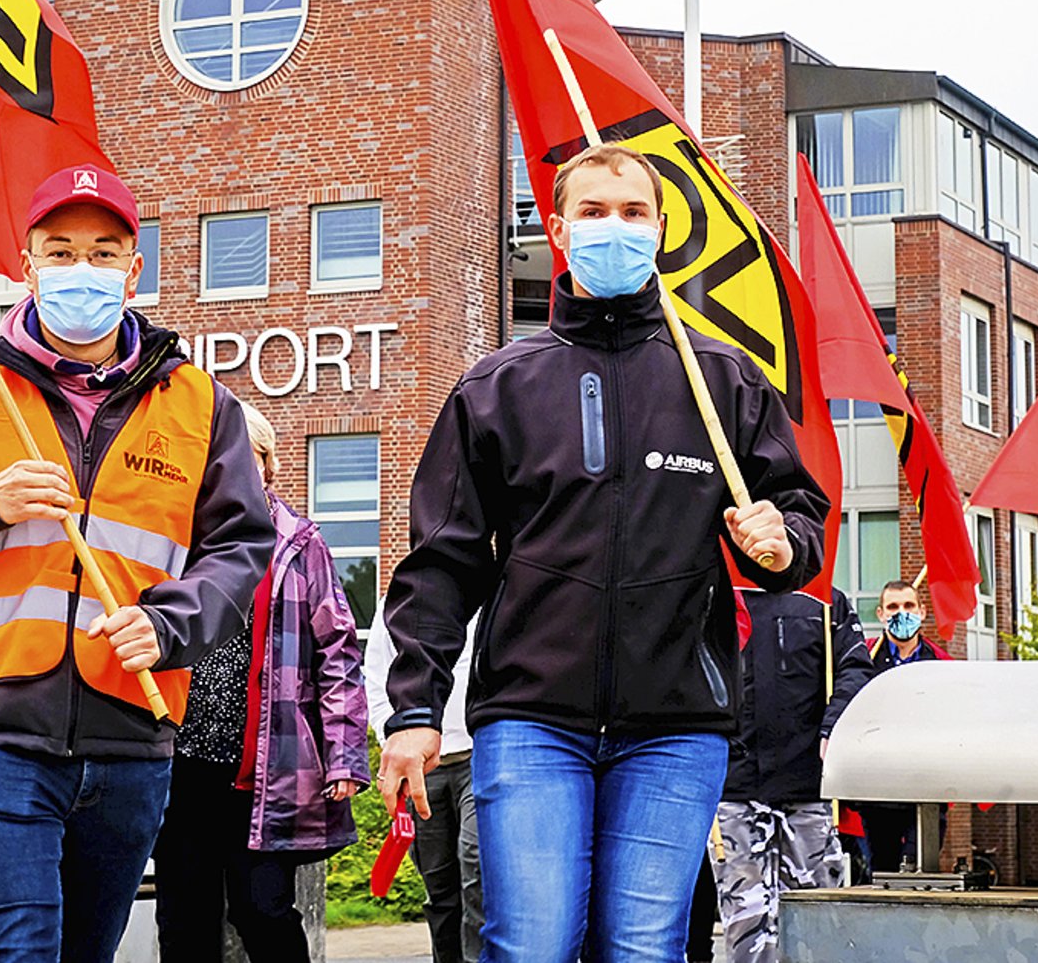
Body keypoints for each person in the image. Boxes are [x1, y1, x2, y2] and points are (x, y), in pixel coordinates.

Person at [378, 144, 828, 963]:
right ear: (557, 230)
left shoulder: (724, 381)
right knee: (532, 943)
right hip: (529, 718)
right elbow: (441, 563)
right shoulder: (498, 386)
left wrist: (782, 542)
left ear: (660, 231)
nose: (612, 227)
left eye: (632, 212)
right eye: (592, 212)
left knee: (644, 948)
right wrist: (412, 711)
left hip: (677, 724)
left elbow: (800, 515)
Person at [0, 163, 275, 963]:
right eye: (61, 250)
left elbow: (241, 548)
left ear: (135, 269)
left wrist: (172, 622)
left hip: (130, 743)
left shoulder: (202, 404)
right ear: (26, 263)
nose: (84, 269)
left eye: (104, 252)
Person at [152, 402, 369, 963]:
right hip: (181, 760)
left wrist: (344, 754)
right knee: (184, 915)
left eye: (241, 455)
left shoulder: (300, 543)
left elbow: (339, 651)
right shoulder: (174, 538)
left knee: (264, 910)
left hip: (265, 768)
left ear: (267, 463)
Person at [710, 588, 874, 963]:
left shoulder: (825, 600)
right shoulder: (715, 589)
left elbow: (857, 668)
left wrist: (835, 725)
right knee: (747, 924)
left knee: (818, 919)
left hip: (808, 788)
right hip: (734, 787)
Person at [365, 599, 481, 963]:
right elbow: (377, 683)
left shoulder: (495, 590)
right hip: (422, 768)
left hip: (481, 757)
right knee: (440, 889)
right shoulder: (395, 604)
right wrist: (395, 745)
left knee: (478, 871)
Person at [860, 580, 948, 874]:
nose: (902, 613)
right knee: (882, 871)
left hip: (927, 786)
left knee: (922, 870)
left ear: (922, 612)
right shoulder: (863, 660)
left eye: (908, 606)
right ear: (881, 614)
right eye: (893, 607)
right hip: (878, 791)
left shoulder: (941, 664)